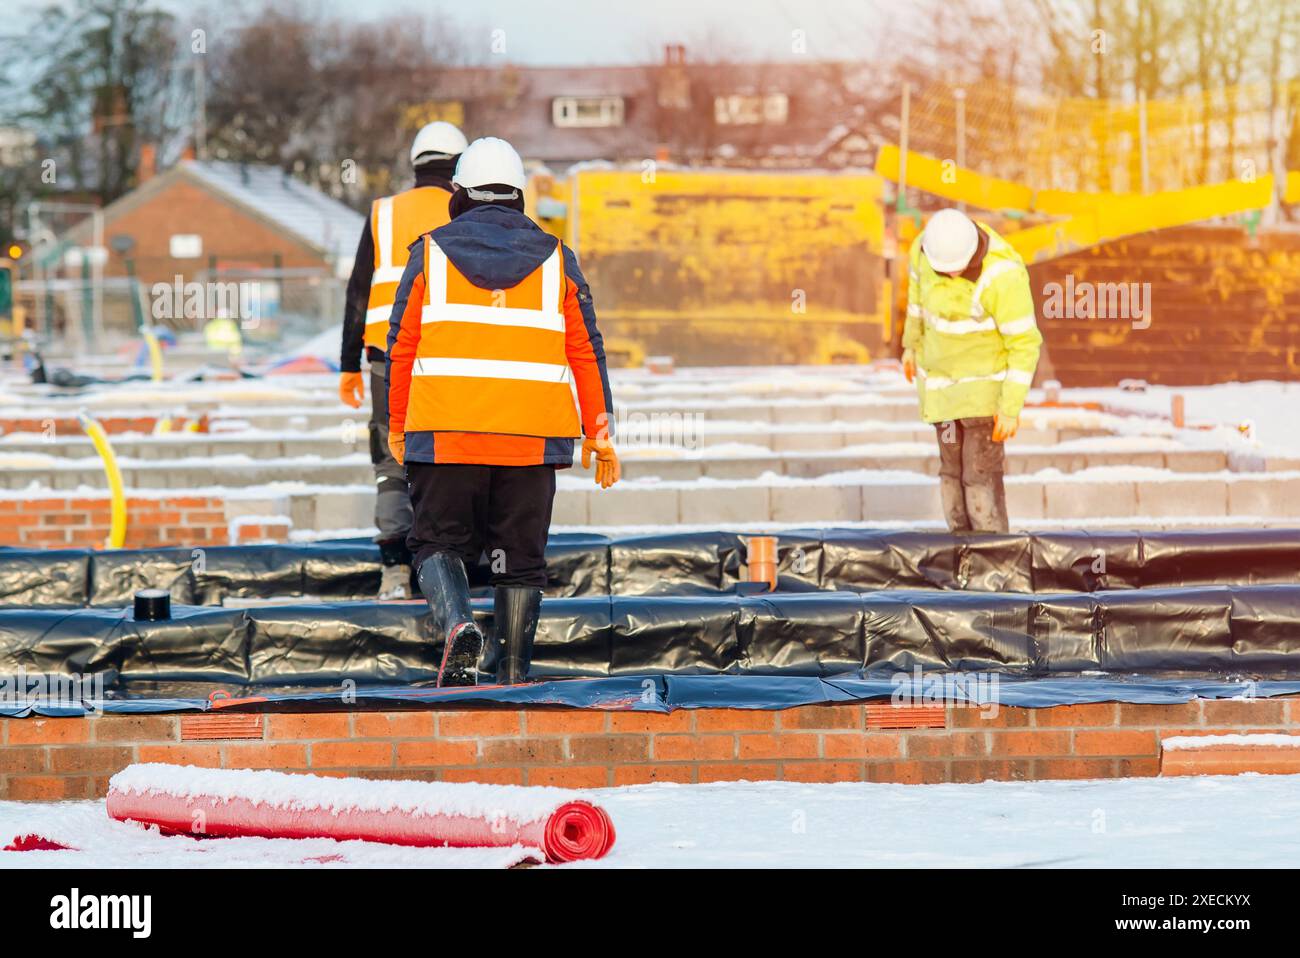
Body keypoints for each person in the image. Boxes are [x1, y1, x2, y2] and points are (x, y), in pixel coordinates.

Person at [386, 137, 619, 687]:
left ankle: (458, 625)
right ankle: (514, 677)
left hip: (446, 434)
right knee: (520, 560)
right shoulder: (558, 258)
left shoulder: (429, 254)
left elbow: (401, 347)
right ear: (518, 195)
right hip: (531, 441)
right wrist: (599, 431)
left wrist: (398, 427)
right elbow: (586, 349)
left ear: (460, 192)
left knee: (437, 543)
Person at [338, 121, 468, 599]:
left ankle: (395, 570)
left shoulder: (384, 212)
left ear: (415, 166)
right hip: (447, 357)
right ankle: (447, 565)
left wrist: (348, 364)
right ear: (460, 166)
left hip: (386, 359)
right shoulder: (467, 210)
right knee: (447, 456)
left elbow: (358, 290)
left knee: (391, 458)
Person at [901, 208, 1042, 534]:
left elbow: (1024, 344)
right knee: (951, 472)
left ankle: (991, 556)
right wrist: (910, 345)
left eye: (957, 268)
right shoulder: (923, 251)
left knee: (979, 475)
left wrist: (1010, 408)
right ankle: (961, 552)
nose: (951, 275)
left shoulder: (1002, 276)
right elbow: (916, 304)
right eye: (944, 270)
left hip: (984, 398)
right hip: (943, 393)